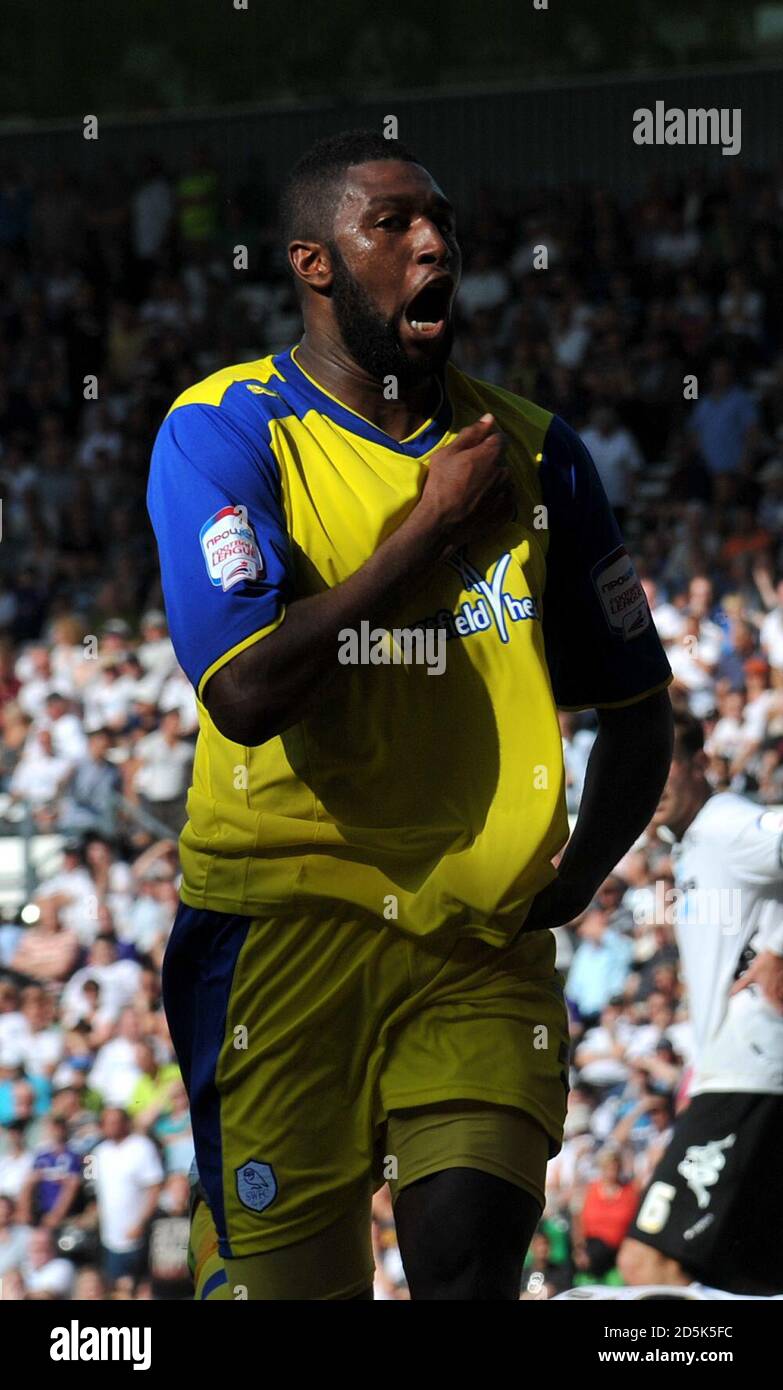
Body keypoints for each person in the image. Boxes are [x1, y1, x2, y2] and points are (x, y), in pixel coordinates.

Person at [148, 129, 673, 1301]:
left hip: (475, 946)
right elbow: (243, 693)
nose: (434, 243)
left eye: (439, 221)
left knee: (467, 1261)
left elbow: (641, 710)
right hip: (281, 931)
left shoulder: (542, 455)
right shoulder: (224, 432)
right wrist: (429, 529)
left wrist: (576, 880)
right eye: (392, 224)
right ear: (315, 264)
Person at [619, 711, 783, 1295]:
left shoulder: (725, 826)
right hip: (733, 1068)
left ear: (701, 766)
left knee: (651, 1263)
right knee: (748, 1276)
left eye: (666, 763)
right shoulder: (689, 847)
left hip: (750, 1069)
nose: (653, 780)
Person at [89, 1106, 164, 1285]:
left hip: (137, 1234)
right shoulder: (98, 1152)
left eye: (116, 1122)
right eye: (108, 1122)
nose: (112, 1126)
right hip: (108, 1236)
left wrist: (141, 1223)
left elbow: (154, 1188)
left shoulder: (142, 1146)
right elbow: (96, 1190)